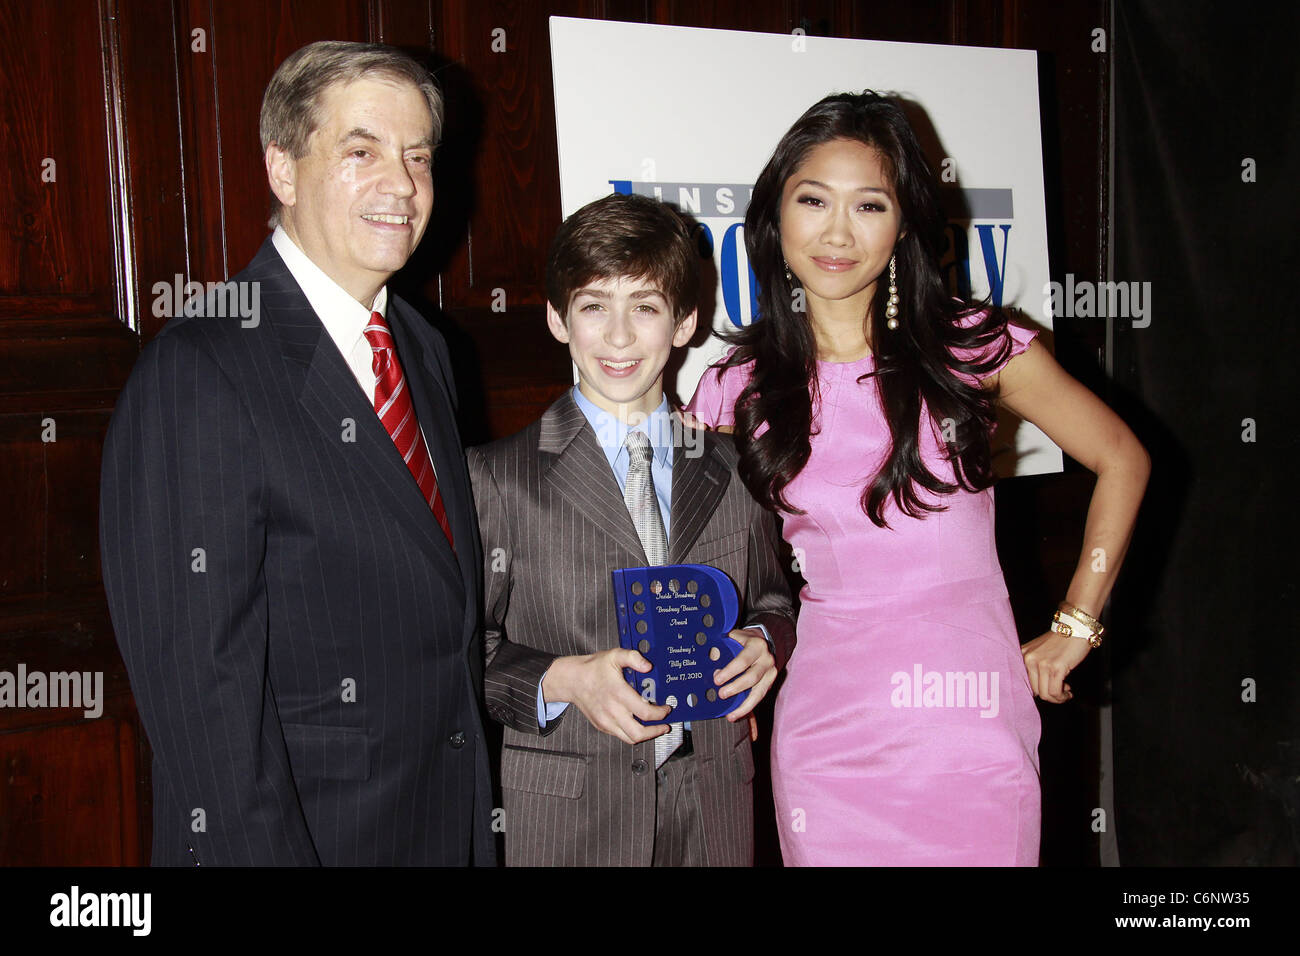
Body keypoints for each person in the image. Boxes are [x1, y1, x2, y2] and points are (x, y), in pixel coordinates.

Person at [686, 91, 1150, 866]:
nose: (837, 232)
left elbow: (1123, 458)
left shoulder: (976, 349)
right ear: (774, 217)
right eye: (812, 200)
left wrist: (1077, 625)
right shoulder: (736, 389)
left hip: (968, 721)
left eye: (869, 204)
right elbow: (705, 559)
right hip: (827, 730)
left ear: (902, 225)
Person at [99, 41, 494, 865]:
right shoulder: (201, 369)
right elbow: (203, 702)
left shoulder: (423, 349)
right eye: (362, 151)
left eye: (417, 155)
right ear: (282, 169)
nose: (402, 184)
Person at [468, 193, 797, 866]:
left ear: (684, 323)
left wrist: (767, 640)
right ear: (559, 320)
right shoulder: (499, 477)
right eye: (594, 306)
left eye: (645, 307)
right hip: (567, 820)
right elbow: (460, 655)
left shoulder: (735, 468)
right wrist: (563, 680)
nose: (619, 338)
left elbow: (774, 599)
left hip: (713, 805)